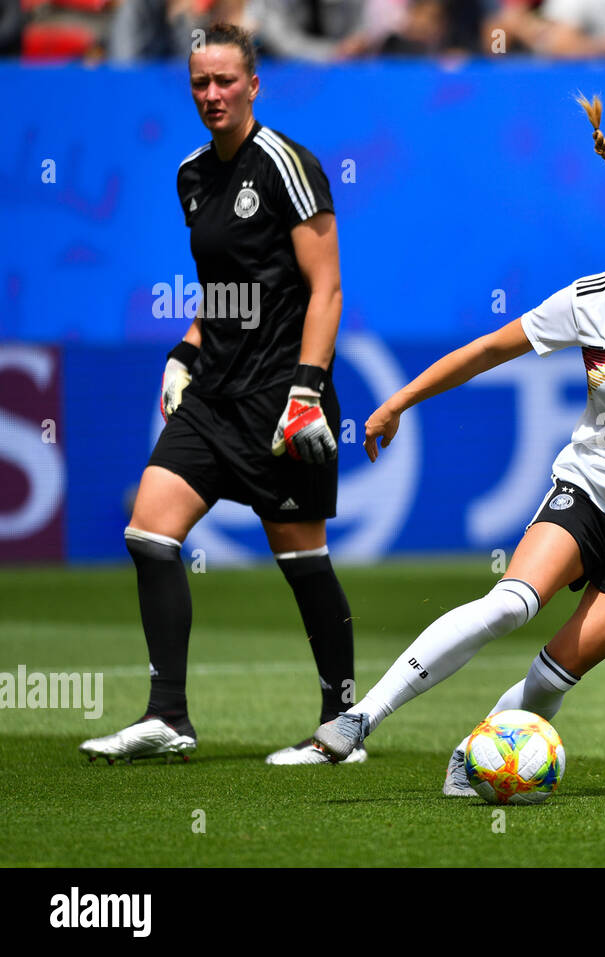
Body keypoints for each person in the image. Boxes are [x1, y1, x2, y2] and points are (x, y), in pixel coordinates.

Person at [312, 95, 605, 773]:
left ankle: (475, 756)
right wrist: (400, 401)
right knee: (509, 602)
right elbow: (486, 351)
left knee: (554, 672)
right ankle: (362, 717)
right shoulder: (589, 301)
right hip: (592, 488)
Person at [79, 22, 361, 766]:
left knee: (302, 558)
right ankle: (167, 714)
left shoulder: (288, 165)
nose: (212, 94)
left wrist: (308, 388)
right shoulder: (192, 175)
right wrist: (184, 350)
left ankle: (343, 724)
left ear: (253, 85)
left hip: (281, 397)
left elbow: (326, 289)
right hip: (213, 395)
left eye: (225, 81)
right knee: (149, 531)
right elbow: (226, 293)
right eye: (200, 82)